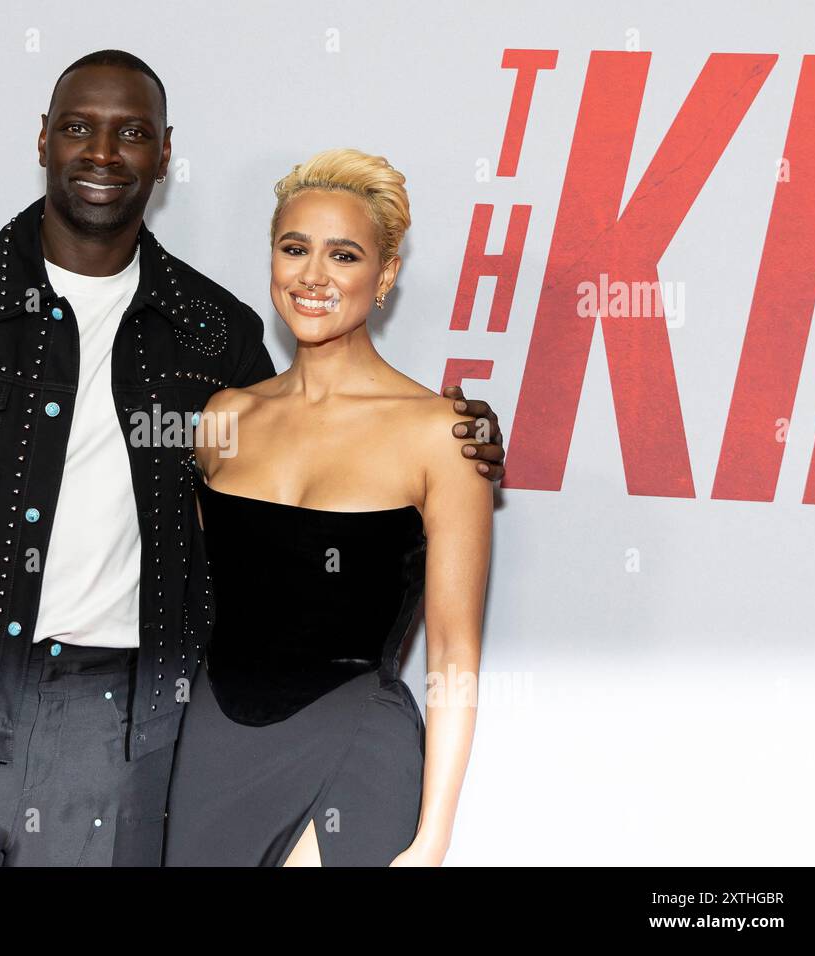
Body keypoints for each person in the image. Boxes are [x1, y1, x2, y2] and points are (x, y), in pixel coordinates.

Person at [0, 51, 504, 867]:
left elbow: (319, 475)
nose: (102, 153)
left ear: (164, 154)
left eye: (132, 133)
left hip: (124, 748)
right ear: (42, 140)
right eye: (77, 128)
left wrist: (459, 437)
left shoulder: (215, 337)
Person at [162, 149, 492, 866]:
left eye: (343, 255)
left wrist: (434, 836)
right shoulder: (224, 419)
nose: (313, 277)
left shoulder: (443, 434)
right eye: (294, 249)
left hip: (354, 749)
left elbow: (455, 650)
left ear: (385, 277)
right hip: (211, 751)